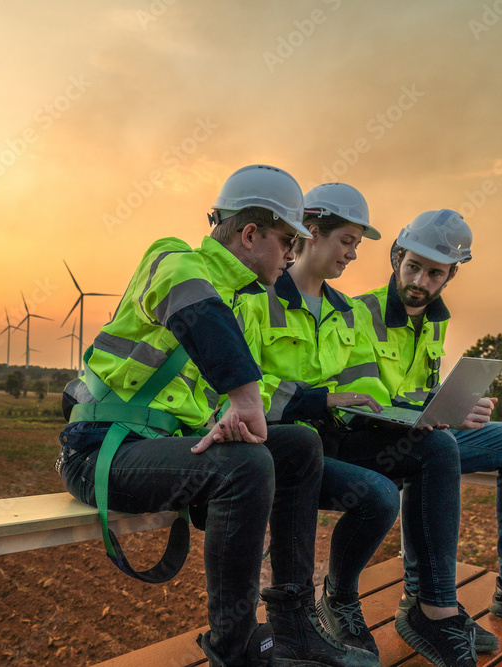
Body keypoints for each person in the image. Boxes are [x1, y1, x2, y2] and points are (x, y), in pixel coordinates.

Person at [58, 165, 372, 666]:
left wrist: (224, 417)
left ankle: (293, 624)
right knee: (246, 465)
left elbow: (208, 381)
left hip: (166, 449)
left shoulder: (237, 302)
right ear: (250, 234)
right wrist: (245, 398)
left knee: (298, 446)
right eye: (289, 240)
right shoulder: (172, 259)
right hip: (101, 450)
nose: (294, 255)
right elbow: (193, 304)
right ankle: (236, 648)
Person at [237, 184, 473, 666]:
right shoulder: (258, 298)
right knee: (380, 494)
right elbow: (240, 388)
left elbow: (366, 392)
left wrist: (412, 415)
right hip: (278, 444)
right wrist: (321, 399)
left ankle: (436, 609)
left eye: (357, 246)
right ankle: (330, 604)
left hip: (336, 440)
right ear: (313, 232)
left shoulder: (347, 313)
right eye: (346, 242)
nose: (352, 254)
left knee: (437, 447)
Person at [356, 209, 502, 644]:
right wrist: (438, 409)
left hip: (425, 431)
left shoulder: (435, 321)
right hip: (377, 445)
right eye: (413, 267)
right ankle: (422, 596)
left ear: (451, 275)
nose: (421, 282)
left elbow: (421, 392)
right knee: (435, 450)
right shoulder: (358, 313)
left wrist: (457, 403)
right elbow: (361, 402)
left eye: (435, 273)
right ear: (395, 257)